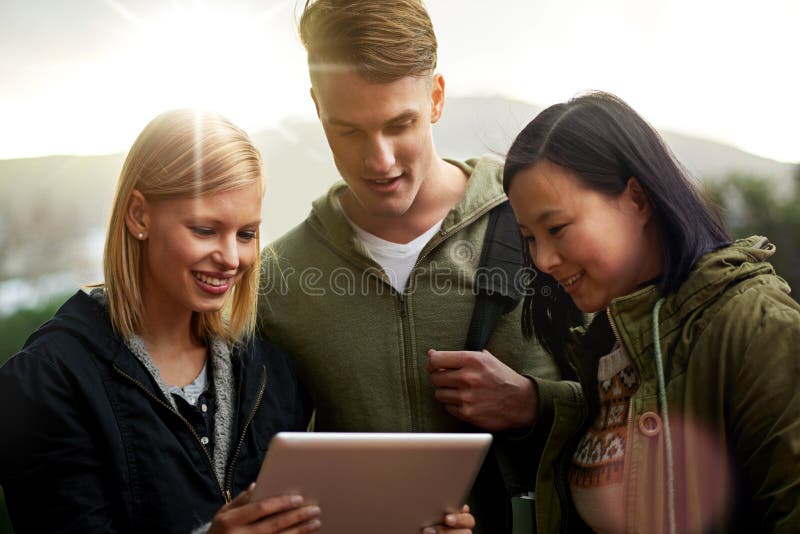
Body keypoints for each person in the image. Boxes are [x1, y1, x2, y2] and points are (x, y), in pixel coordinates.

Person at [0, 109, 474, 534]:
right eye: (205, 229)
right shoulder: (46, 382)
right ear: (139, 215)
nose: (231, 258)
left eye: (246, 233)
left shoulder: (269, 370)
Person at [257, 1, 559, 531]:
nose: (380, 161)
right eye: (347, 130)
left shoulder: (543, 225)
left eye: (400, 124)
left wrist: (536, 403)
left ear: (436, 97)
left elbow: (641, 404)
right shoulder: (276, 277)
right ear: (317, 108)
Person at [498, 91, 800, 533]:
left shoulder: (757, 328)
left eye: (556, 228)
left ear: (636, 199)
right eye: (529, 237)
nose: (542, 259)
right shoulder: (605, 347)